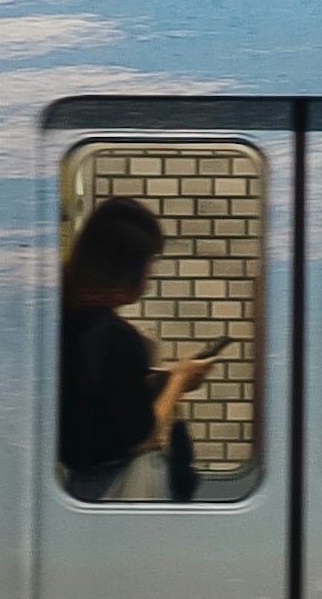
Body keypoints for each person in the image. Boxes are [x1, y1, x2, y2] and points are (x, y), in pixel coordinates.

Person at [60, 192, 215, 500]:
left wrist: (158, 379)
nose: (151, 273)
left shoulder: (65, 323)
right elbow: (141, 436)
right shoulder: (118, 338)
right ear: (124, 267)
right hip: (120, 495)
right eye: (148, 262)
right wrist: (179, 380)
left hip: (81, 487)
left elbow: (102, 399)